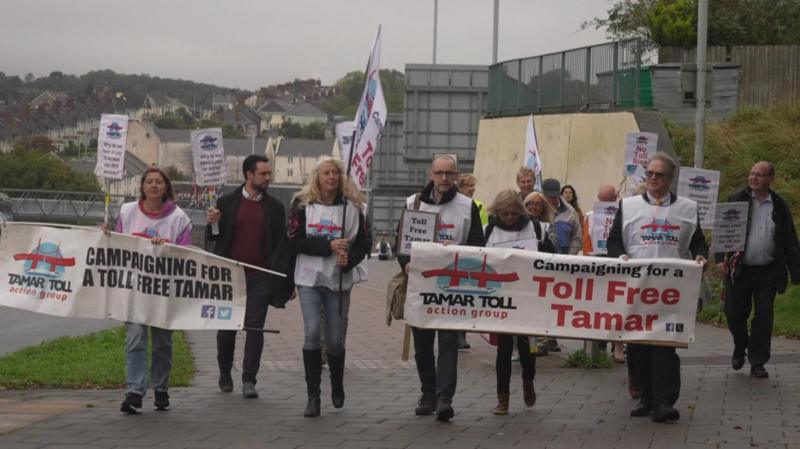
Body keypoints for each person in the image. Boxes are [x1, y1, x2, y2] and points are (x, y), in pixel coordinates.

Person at [607, 153, 708, 423]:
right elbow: (614, 241)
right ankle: (646, 397)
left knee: (665, 345)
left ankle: (664, 402)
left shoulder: (687, 208)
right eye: (649, 173)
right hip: (638, 287)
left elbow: (698, 242)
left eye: (658, 175)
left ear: (670, 179)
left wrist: (700, 256)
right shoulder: (628, 205)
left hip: (671, 289)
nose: (652, 178)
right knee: (638, 346)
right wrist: (620, 258)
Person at [398, 154, 485, 422]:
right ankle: (428, 393)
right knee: (423, 345)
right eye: (440, 173)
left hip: (452, 285)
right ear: (431, 174)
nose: (444, 179)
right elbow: (400, 242)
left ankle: (445, 397)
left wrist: (457, 252)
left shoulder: (467, 206)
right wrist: (405, 264)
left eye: (450, 173)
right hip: (421, 283)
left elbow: (477, 245)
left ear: (457, 175)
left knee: (448, 343)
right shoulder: (413, 203)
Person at [287, 157, 369, 418]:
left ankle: (337, 382)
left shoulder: (354, 208)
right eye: (326, 173)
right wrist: (328, 247)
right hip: (309, 279)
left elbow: (363, 243)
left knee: (334, 340)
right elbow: (294, 241)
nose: (331, 177)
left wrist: (349, 260)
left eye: (336, 173)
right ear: (317, 177)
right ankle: (313, 395)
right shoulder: (302, 205)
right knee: (312, 333)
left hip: (337, 282)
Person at [207, 155, 287, 399]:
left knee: (255, 329)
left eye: (269, 174)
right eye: (263, 174)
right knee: (227, 327)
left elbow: (281, 245)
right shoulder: (227, 202)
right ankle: (224, 372)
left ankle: (249, 378)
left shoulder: (275, 208)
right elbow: (214, 239)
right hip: (230, 275)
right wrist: (212, 224)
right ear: (248, 175)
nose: (268, 178)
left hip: (260, 276)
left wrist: (284, 279)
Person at [116, 167, 192, 414]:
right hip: (134, 288)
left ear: (166, 187)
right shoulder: (127, 212)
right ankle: (135, 391)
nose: (154, 185)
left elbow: (185, 254)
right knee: (135, 337)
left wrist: (167, 248)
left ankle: (161, 387)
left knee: (162, 341)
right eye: (149, 181)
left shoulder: (179, 218)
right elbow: (117, 245)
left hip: (163, 290)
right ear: (142, 186)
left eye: (159, 181)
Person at [716, 161, 800, 379]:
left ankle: (758, 361)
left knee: (764, 316)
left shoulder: (779, 205)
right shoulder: (737, 199)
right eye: (751, 174)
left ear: (770, 179)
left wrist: (795, 270)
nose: (753, 178)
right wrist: (719, 259)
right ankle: (740, 345)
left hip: (768, 271)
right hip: (740, 269)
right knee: (733, 314)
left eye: (759, 175)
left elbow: (790, 240)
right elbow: (723, 230)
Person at [483, 189, 554, 415]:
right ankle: (502, 397)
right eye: (505, 215)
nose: (510, 219)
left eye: (514, 214)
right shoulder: (490, 230)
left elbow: (551, 256)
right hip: (501, 296)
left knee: (528, 347)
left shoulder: (533, 228)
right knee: (503, 349)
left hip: (528, 297)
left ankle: (528, 380)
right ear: (497, 213)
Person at [581, 185, 625, 363]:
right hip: (598, 265)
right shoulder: (590, 217)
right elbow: (586, 243)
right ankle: (601, 341)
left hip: (617, 264)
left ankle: (617, 344)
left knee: (618, 305)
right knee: (600, 306)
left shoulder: (623, 216)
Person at [454, 173, 488, 350]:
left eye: (474, 186)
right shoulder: (454, 206)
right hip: (454, 256)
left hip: (471, 254)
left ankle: (462, 333)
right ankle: (455, 333)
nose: (473, 189)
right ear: (460, 188)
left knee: (466, 297)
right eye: (469, 186)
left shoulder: (479, 205)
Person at [542, 178, 583, 255]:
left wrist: (568, 258)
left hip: (562, 261)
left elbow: (577, 238)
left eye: (554, 197)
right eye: (549, 197)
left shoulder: (570, 212)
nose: (551, 200)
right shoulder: (537, 208)